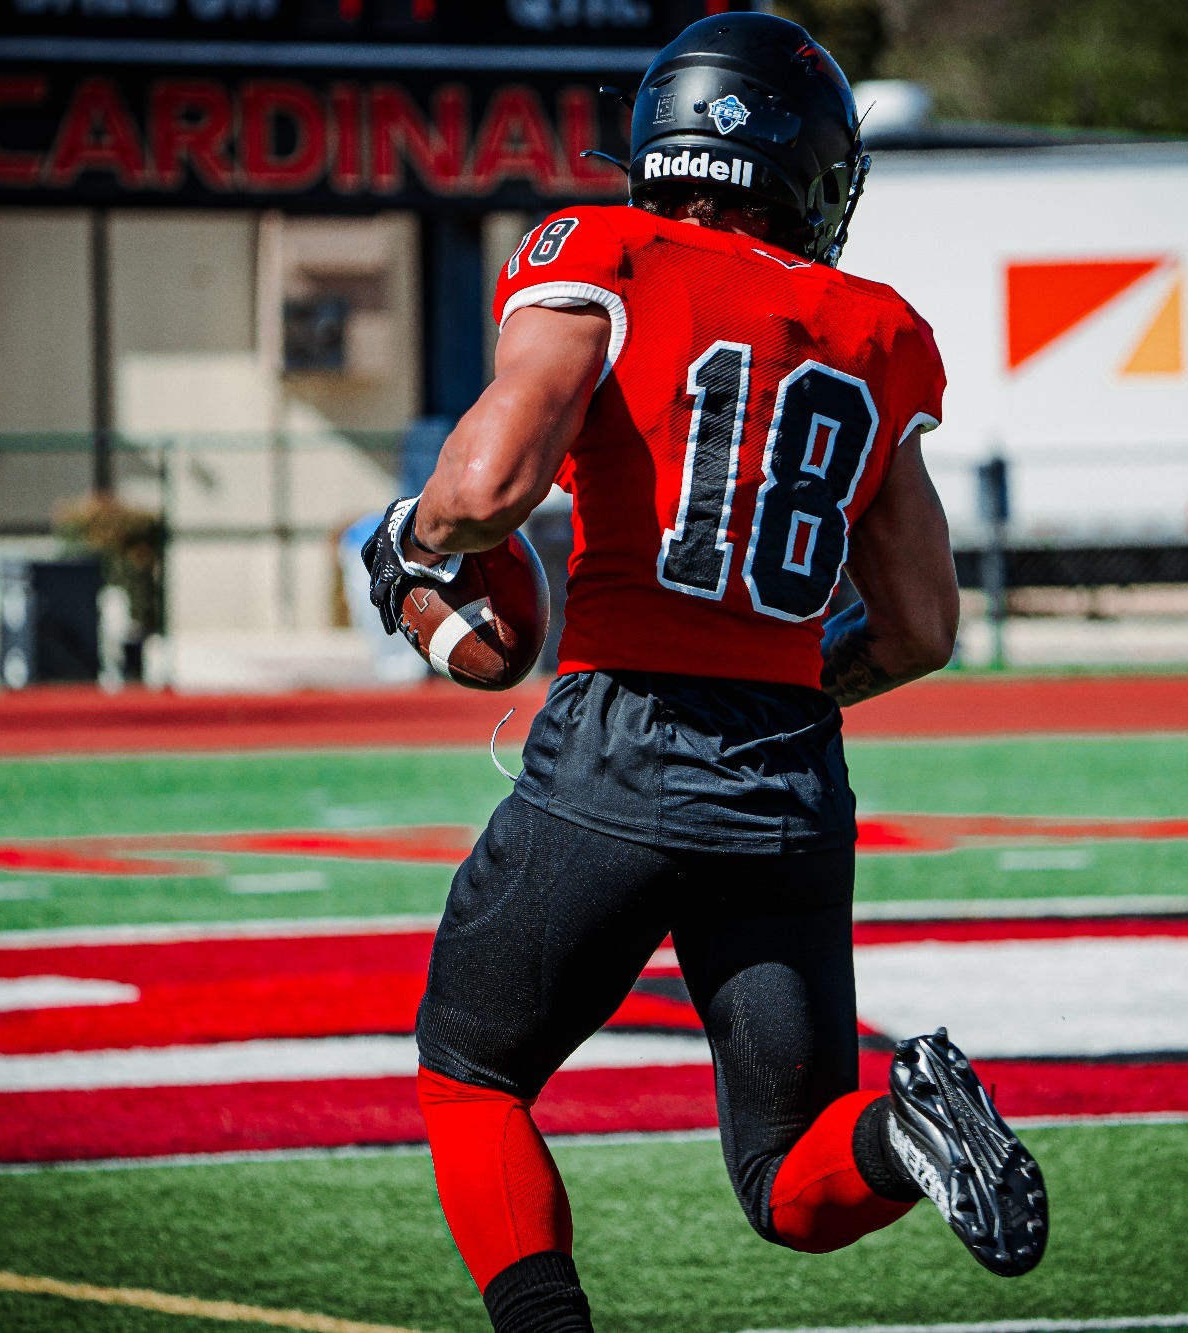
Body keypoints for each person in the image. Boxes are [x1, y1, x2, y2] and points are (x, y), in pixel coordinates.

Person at [362, 15, 1047, 1330]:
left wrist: (410, 548)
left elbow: (488, 487)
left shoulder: (599, 251)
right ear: (805, 166)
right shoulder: (874, 326)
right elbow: (917, 627)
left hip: (622, 738)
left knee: (470, 1071)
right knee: (791, 1175)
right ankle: (909, 1130)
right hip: (790, 770)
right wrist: (784, 686)